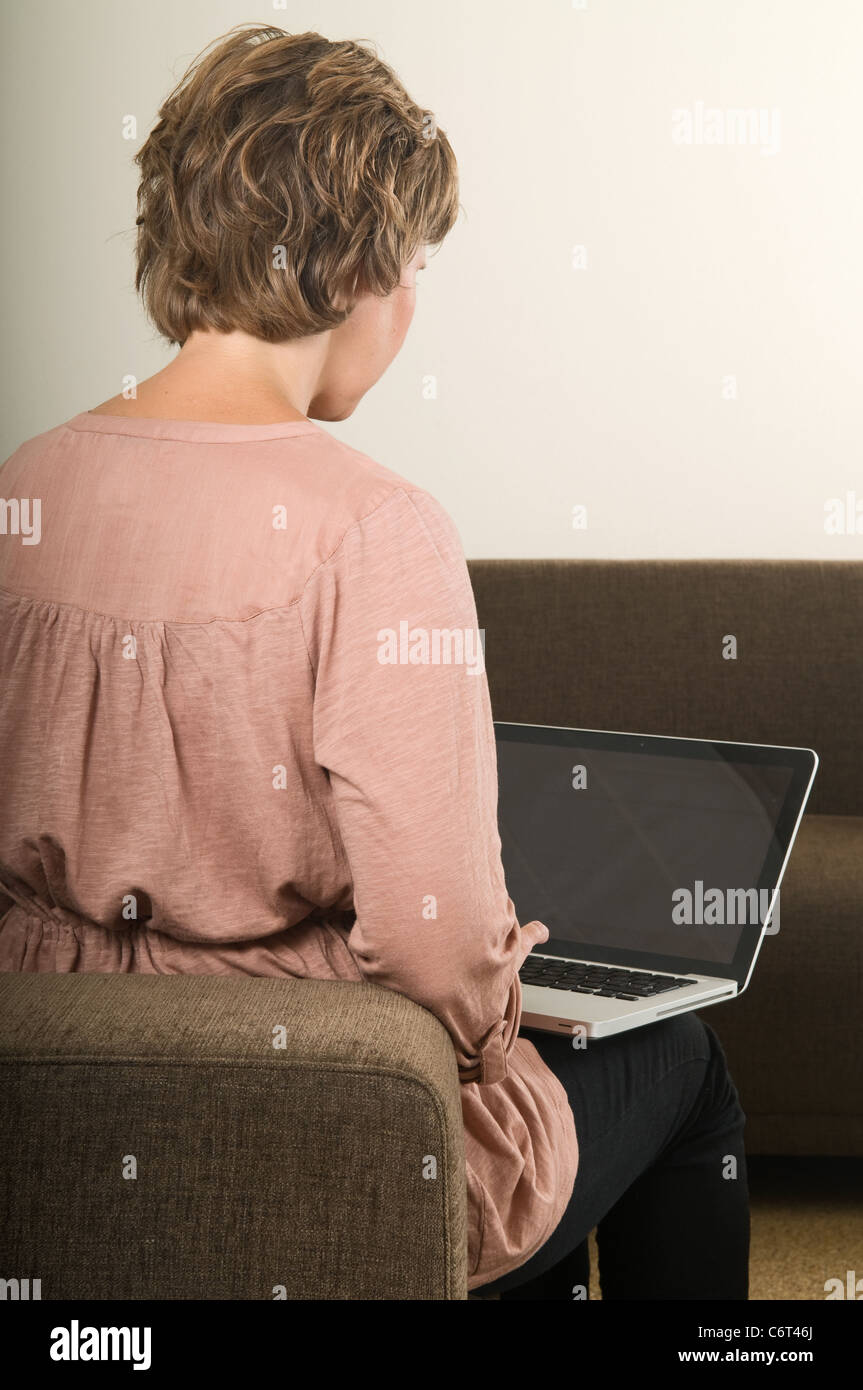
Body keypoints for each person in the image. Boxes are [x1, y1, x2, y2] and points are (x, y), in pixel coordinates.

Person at [0, 23, 749, 1298]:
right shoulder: (374, 532)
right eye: (412, 261)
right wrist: (503, 1004)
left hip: (52, 1104)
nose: (411, 297)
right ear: (348, 265)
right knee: (682, 1071)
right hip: (302, 1111)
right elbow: (432, 940)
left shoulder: (26, 485)